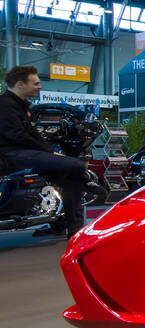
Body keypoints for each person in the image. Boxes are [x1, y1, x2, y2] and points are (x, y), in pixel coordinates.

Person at [0, 66, 86, 237]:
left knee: (69, 178)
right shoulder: (5, 105)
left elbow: (30, 135)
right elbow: (18, 136)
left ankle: (66, 226)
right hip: (11, 155)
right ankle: (74, 229)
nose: (39, 87)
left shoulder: (20, 106)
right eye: (36, 83)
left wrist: (50, 152)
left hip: (21, 153)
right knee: (76, 166)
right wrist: (50, 153)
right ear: (20, 84)